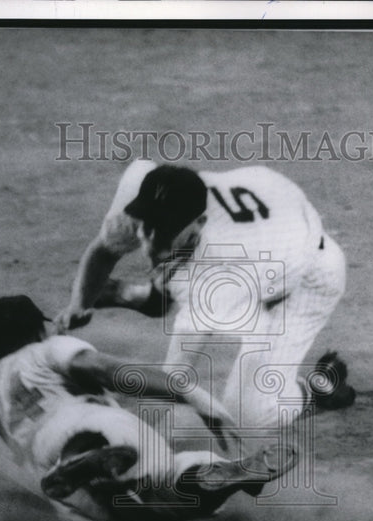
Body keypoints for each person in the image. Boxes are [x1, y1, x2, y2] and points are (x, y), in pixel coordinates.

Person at [0, 295, 297, 521]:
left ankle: (84, 469)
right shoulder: (44, 350)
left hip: (75, 506)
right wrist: (193, 394)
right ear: (38, 333)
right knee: (165, 474)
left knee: (150, 516)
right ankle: (202, 473)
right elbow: (102, 369)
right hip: (91, 425)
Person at [55, 161, 355, 429]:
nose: (149, 239)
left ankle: (318, 388)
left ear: (200, 223)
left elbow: (176, 377)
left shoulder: (223, 264)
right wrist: (78, 304)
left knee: (249, 416)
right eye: (148, 225)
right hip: (266, 226)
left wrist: (134, 439)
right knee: (175, 267)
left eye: (166, 230)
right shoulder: (142, 185)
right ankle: (149, 294)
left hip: (306, 280)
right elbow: (103, 251)